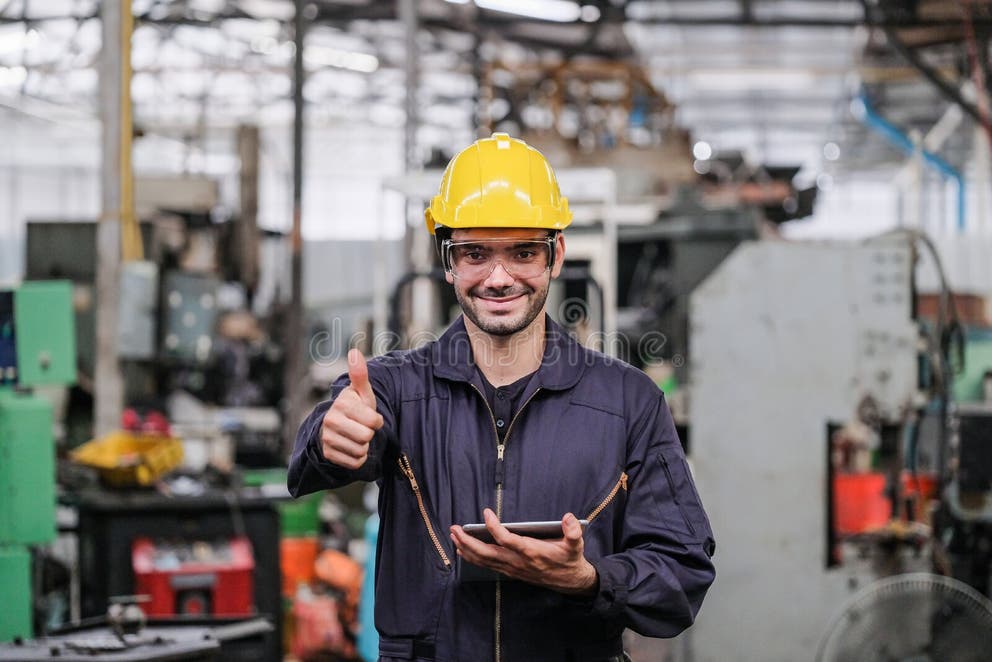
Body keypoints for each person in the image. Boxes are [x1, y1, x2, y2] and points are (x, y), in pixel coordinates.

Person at [289, 133, 715, 662]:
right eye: (474, 253)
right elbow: (309, 460)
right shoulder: (393, 391)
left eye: (522, 252)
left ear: (555, 255)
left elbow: (682, 572)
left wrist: (590, 579)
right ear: (448, 261)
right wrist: (330, 436)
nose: (498, 277)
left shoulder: (629, 404)